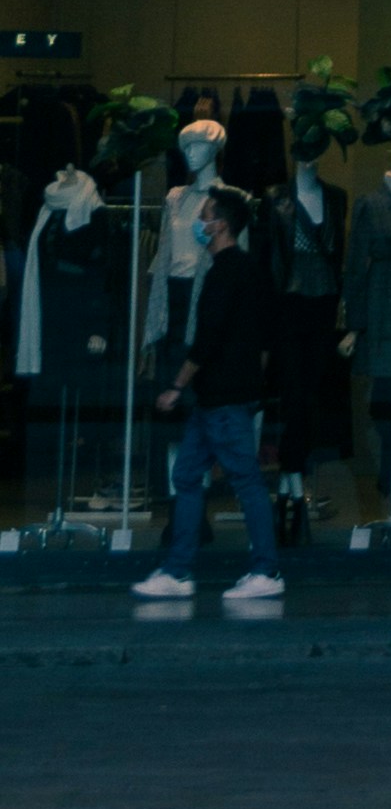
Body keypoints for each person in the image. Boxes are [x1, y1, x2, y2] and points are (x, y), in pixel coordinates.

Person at [135, 186, 284, 603]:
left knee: (242, 480)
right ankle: (179, 570)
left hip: (219, 396)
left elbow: (208, 339)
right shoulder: (252, 269)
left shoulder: (222, 272)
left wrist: (176, 385)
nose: (198, 224)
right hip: (225, 396)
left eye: (204, 216)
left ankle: (264, 569)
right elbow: (267, 333)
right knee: (190, 476)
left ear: (221, 224)